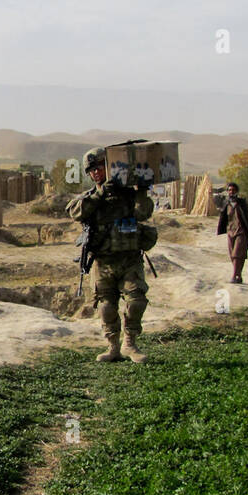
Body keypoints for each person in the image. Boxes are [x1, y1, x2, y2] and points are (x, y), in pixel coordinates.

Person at [67, 147, 152, 363]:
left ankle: (130, 343)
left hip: (129, 258)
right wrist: (100, 193)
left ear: (110, 167)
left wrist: (141, 191)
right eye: (91, 170)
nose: (96, 172)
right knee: (106, 306)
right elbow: (75, 211)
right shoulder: (91, 198)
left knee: (136, 301)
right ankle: (113, 346)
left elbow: (144, 213)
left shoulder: (128, 195)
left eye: (100, 167)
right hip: (103, 261)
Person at [217, 182, 248, 283]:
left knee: (237, 254)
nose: (231, 192)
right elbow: (223, 218)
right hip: (230, 232)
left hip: (241, 231)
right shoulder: (226, 204)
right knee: (233, 255)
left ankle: (234, 276)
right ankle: (239, 276)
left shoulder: (242, 203)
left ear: (236, 191)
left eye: (233, 190)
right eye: (229, 190)